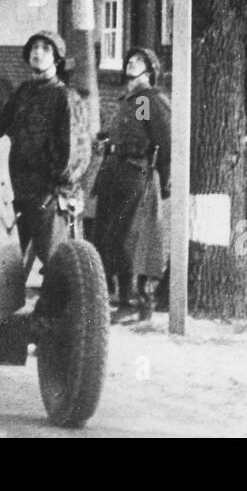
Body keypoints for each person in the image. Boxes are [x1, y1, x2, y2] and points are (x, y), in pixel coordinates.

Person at [0, 30, 92, 269]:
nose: (38, 52)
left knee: (55, 259)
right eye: (34, 48)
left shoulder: (66, 98)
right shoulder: (22, 92)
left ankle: (57, 307)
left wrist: (56, 185)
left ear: (57, 59)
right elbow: (1, 131)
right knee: (5, 260)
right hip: (16, 189)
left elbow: (76, 152)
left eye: (46, 49)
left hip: (46, 192)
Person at [91, 47, 171, 322]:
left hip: (136, 171)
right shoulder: (130, 100)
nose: (130, 63)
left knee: (129, 237)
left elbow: (163, 139)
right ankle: (128, 300)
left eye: (138, 61)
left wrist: (164, 175)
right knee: (113, 234)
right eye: (130, 60)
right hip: (116, 170)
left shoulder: (145, 100)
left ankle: (132, 302)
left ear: (149, 71)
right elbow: (125, 131)